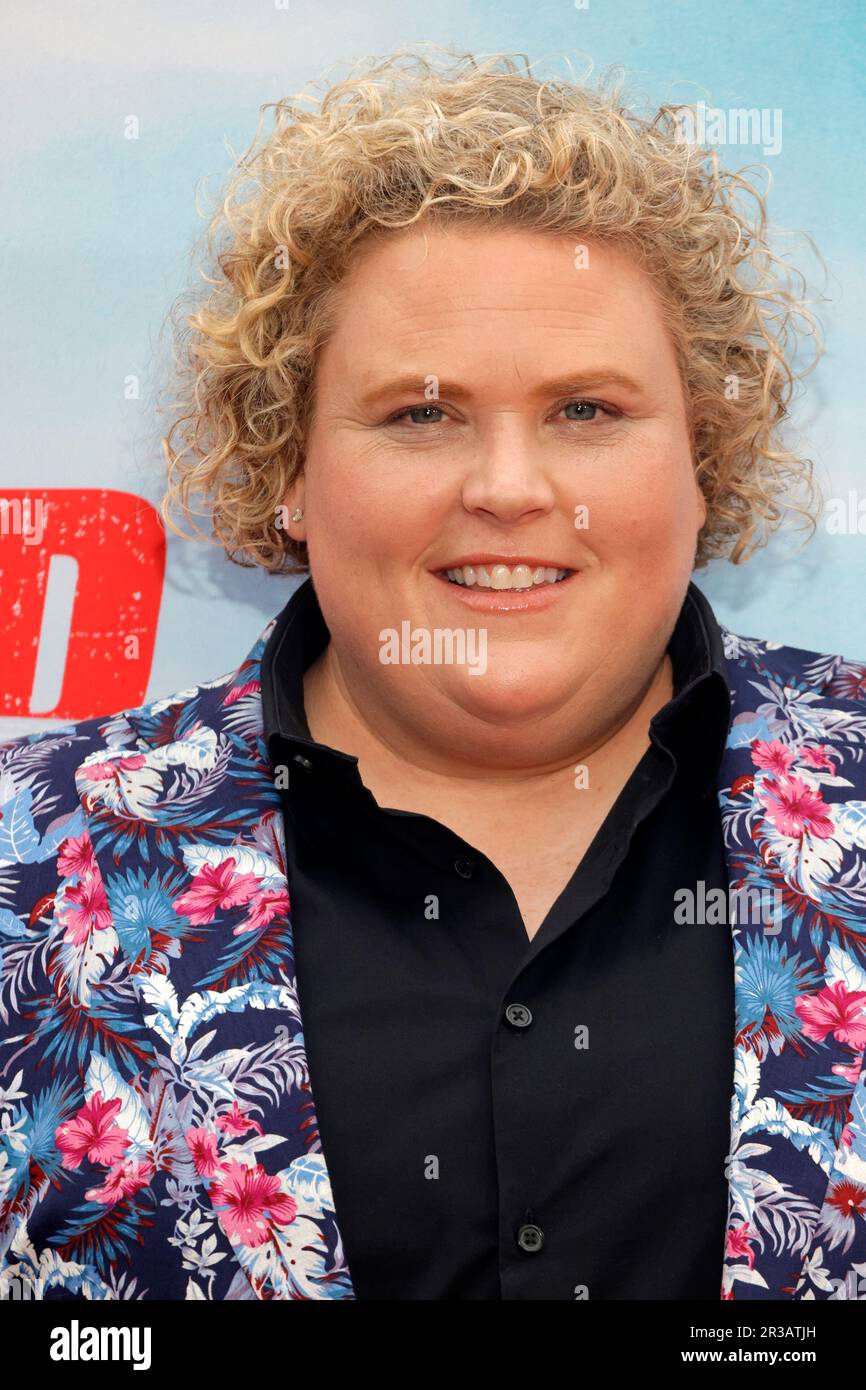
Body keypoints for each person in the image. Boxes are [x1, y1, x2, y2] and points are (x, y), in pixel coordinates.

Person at [2, 49, 865, 1303]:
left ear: (702, 463)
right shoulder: (32, 857)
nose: (508, 488)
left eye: (586, 411)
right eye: (420, 414)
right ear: (288, 470)